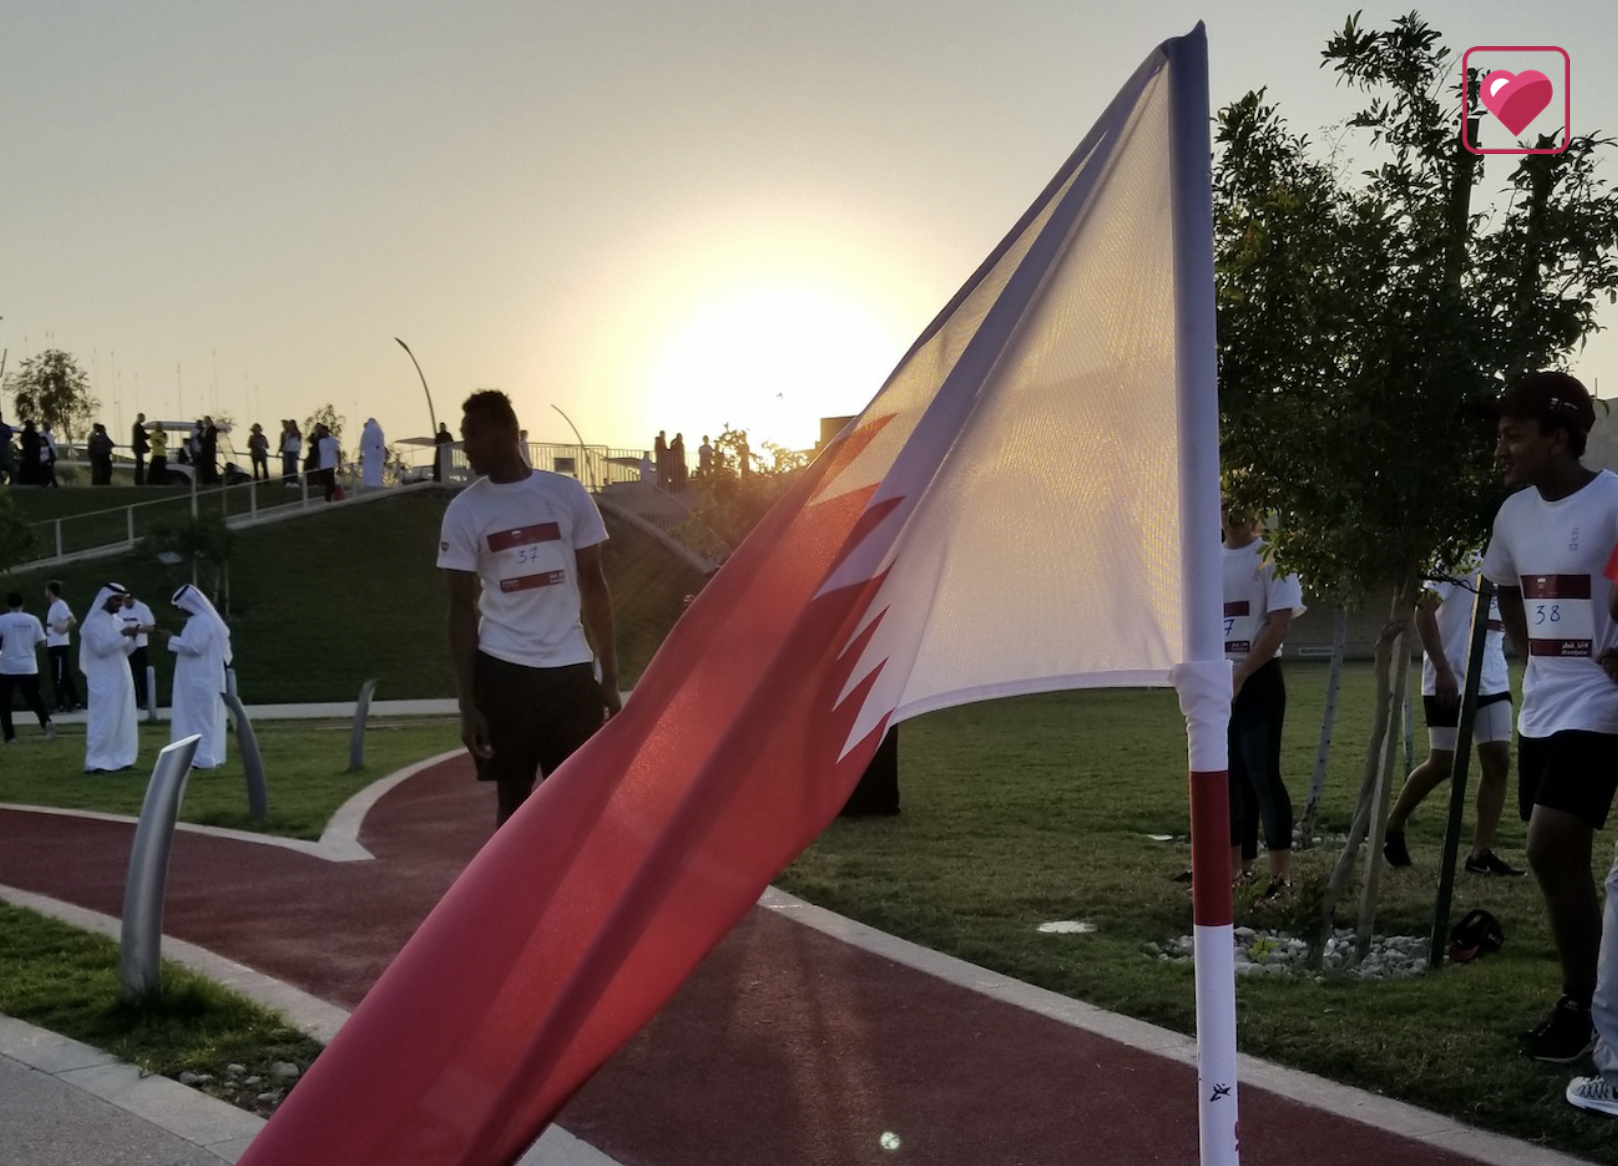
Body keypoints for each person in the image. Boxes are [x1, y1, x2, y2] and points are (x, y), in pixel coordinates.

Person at [1478, 370, 1618, 1065]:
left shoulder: (1615, 501)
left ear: (1558, 436)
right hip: (1542, 705)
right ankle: (1590, 1004)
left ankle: (1586, 1006)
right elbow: (1502, 584)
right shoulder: (1512, 515)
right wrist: (1524, 647)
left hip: (1602, 704)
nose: (1500, 449)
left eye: (1513, 436)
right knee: (1565, 866)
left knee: (1544, 846)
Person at [437, 389, 619, 826]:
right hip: (504, 672)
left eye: (474, 434)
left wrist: (609, 675)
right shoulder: (464, 511)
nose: (466, 447)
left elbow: (595, 584)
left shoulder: (568, 494)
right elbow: (460, 609)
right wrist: (467, 702)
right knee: (513, 806)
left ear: (506, 434)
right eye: (464, 436)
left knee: (577, 806)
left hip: (570, 672)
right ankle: (513, 896)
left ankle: (577, 896)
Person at [1383, 560, 1522, 876]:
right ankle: (1393, 825)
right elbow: (1423, 611)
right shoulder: (1457, 552)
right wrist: (1442, 668)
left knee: (1498, 760)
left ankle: (1480, 853)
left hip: (1493, 675)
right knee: (1443, 763)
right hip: (1449, 675)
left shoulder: (1511, 554)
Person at [1222, 498, 1305, 906]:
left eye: (1238, 504)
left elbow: (1279, 623)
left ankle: (1281, 879)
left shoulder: (1272, 556)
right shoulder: (1208, 559)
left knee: (1262, 774)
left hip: (1258, 681)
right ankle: (1234, 871)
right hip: (1219, 683)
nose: (1231, 513)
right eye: (1222, 504)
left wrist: (1241, 674)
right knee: (1226, 776)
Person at [157, 584, 231, 769]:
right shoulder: (197, 621)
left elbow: (195, 647)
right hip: (195, 680)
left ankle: (203, 759)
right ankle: (194, 757)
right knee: (194, 719)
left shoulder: (203, 621)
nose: (180, 610)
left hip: (202, 680)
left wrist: (171, 639)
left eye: (181, 606)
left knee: (201, 720)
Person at [80, 583, 139, 773]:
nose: (120, 604)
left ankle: (122, 758)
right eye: (117, 600)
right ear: (106, 599)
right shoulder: (92, 623)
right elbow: (101, 649)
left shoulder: (118, 621)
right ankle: (96, 761)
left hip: (122, 675)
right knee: (104, 719)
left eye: (122, 600)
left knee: (124, 719)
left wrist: (133, 637)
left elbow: (127, 650)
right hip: (103, 678)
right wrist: (122, 635)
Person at [0, 591, 55, 744]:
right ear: (23, 604)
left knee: (5, 703)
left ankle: (10, 736)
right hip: (28, 666)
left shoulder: (2, 620)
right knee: (35, 699)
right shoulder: (33, 620)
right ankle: (46, 722)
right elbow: (42, 643)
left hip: (7, 667)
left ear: (8, 604)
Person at [43, 581, 80, 713]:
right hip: (53, 644)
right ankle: (75, 701)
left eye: (46, 589)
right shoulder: (53, 606)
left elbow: (72, 620)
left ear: (50, 591)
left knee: (58, 676)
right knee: (63, 674)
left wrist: (64, 630)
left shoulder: (60, 605)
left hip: (59, 645)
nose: (45, 592)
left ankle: (60, 704)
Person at [120, 591, 157, 713]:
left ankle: (145, 699)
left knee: (141, 674)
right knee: (127, 674)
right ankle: (132, 699)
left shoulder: (142, 608)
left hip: (139, 646)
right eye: (124, 601)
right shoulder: (120, 608)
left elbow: (151, 627)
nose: (126, 603)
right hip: (124, 646)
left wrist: (138, 630)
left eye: (128, 600)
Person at [318, 425, 341, 502]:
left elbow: (337, 452)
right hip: (323, 465)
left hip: (330, 464)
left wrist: (339, 464)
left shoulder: (333, 440)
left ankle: (328, 499)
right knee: (327, 482)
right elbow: (320, 453)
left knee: (330, 482)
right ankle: (330, 496)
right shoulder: (321, 442)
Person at [360, 418, 385, 489]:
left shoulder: (366, 432)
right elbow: (382, 443)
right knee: (376, 469)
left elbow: (362, 443)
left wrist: (361, 451)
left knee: (369, 469)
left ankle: (368, 483)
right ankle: (377, 483)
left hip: (368, 454)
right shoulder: (379, 431)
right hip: (377, 454)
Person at [17, 420, 40, 486]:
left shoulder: (25, 434)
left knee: (26, 467)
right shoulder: (35, 434)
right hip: (33, 454)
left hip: (27, 453)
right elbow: (38, 444)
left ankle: (25, 481)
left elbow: (22, 442)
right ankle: (34, 480)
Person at [281, 420, 302, 486]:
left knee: (293, 467)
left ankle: (294, 481)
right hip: (287, 451)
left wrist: (298, 451)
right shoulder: (286, 433)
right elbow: (285, 442)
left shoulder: (298, 433)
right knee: (287, 467)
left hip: (294, 451)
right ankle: (288, 481)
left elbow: (299, 443)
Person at [131, 414, 150, 486]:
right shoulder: (138, 426)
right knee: (140, 464)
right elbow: (143, 436)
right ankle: (139, 481)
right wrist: (149, 436)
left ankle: (139, 480)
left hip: (137, 447)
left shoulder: (136, 426)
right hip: (138, 447)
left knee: (140, 464)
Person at [0, 414, 14, 485]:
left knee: (9, 464)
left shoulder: (5, 427)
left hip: (4, 448)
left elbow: (10, 435)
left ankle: (12, 479)